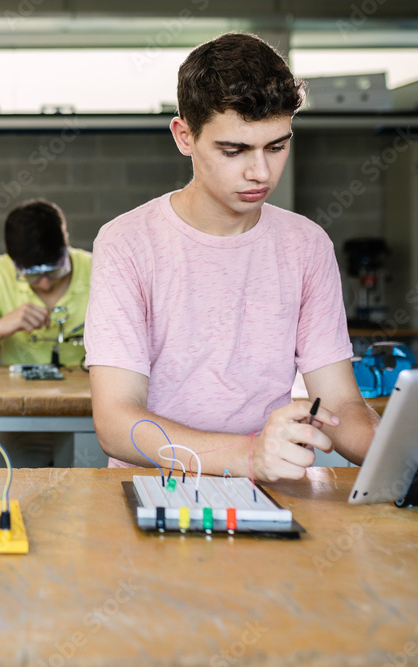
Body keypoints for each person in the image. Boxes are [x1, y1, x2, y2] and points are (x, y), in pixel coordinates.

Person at [86, 33, 379, 482]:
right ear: (184, 136)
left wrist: (403, 455)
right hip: (152, 490)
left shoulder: (307, 245)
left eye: (276, 147)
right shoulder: (126, 243)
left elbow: (339, 404)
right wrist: (245, 455)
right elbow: (116, 421)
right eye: (234, 150)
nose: (260, 172)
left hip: (273, 490)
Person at [0, 199, 92, 467]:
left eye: (54, 269)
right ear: (12, 261)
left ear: (66, 242)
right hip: (21, 417)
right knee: (12, 497)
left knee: (88, 496)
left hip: (89, 414)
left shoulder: (98, 269)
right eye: (32, 275)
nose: (46, 283)